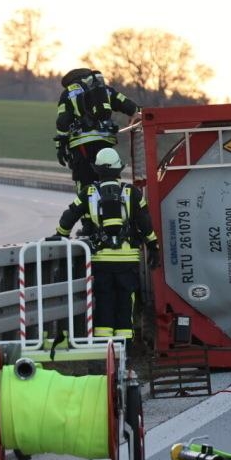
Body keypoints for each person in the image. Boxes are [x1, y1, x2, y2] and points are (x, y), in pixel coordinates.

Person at [49, 148, 160, 340]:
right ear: (118, 170)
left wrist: (60, 235)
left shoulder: (89, 192)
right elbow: (145, 223)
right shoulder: (131, 193)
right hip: (127, 260)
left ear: (97, 170)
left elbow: (70, 216)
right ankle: (124, 345)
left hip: (100, 260)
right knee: (126, 301)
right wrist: (153, 247)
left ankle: (104, 347)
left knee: (103, 300)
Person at [54, 68, 142, 192]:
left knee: (84, 180)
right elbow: (125, 103)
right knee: (107, 174)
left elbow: (62, 120)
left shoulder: (68, 93)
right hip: (105, 141)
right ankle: (111, 200)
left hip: (82, 145)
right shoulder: (104, 89)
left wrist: (60, 146)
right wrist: (138, 112)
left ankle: (87, 206)